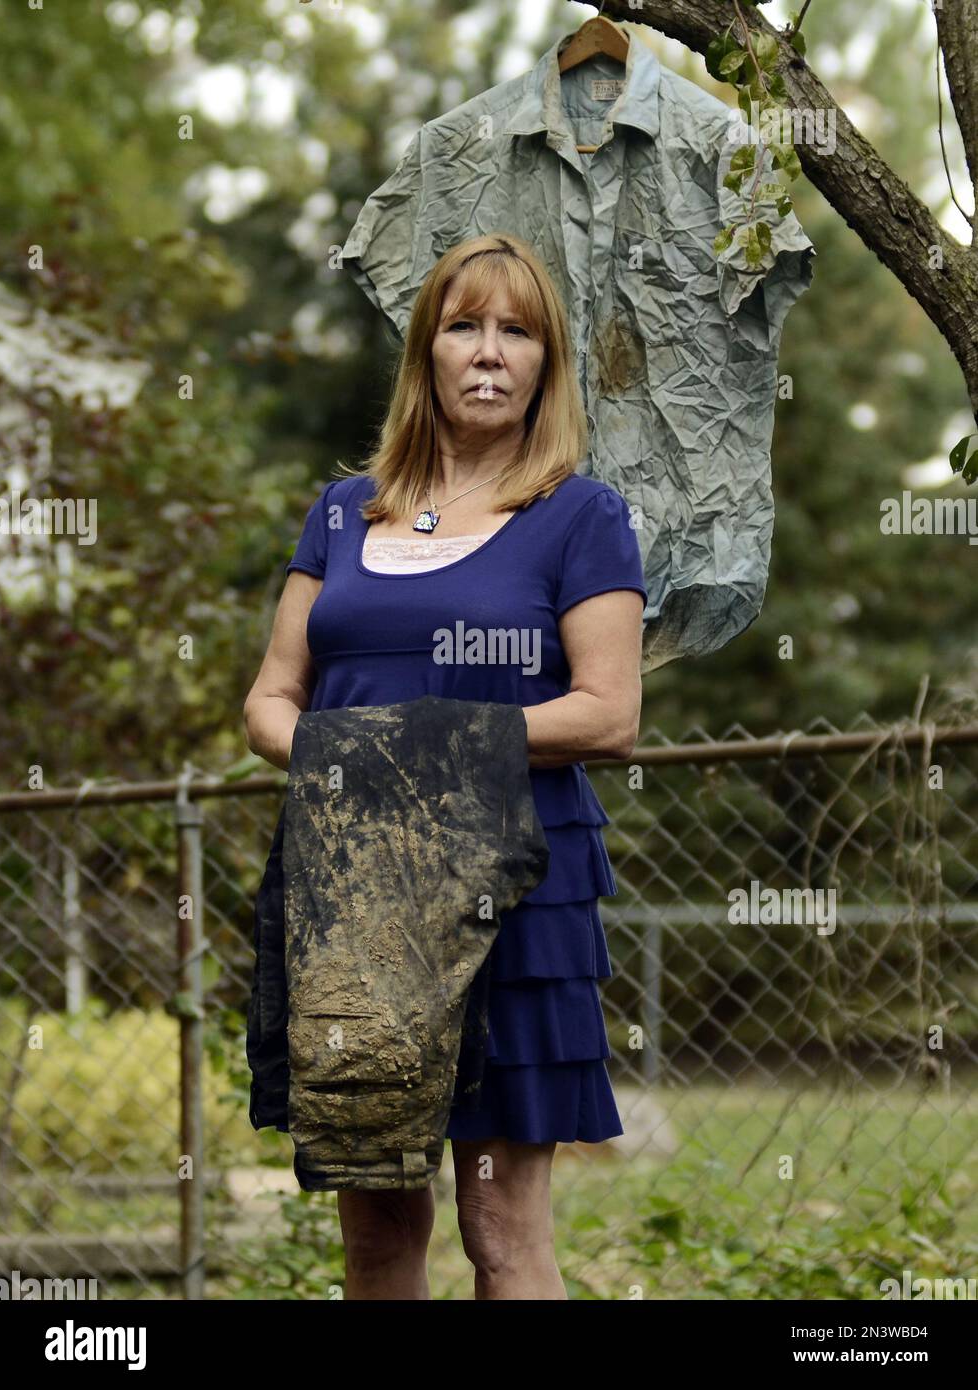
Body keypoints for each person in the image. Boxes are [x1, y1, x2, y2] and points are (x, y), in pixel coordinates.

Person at [243, 232, 647, 1300]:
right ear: (424, 351)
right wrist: (345, 760)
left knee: (498, 1228)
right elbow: (268, 700)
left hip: (514, 888)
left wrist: (421, 752)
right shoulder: (343, 512)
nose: (487, 351)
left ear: (544, 364)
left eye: (515, 331)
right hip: (353, 893)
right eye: (463, 325)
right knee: (375, 1228)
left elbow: (608, 713)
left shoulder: (579, 515)